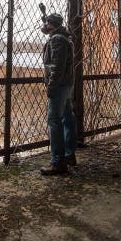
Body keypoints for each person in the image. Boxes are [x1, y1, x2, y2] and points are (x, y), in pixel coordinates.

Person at [39, 12, 78, 175]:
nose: (43, 25)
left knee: (54, 120)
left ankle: (58, 161)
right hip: (67, 85)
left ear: (51, 25)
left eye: (47, 23)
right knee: (68, 118)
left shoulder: (57, 40)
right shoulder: (63, 37)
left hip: (60, 86)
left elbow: (56, 66)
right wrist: (47, 19)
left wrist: (52, 86)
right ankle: (69, 155)